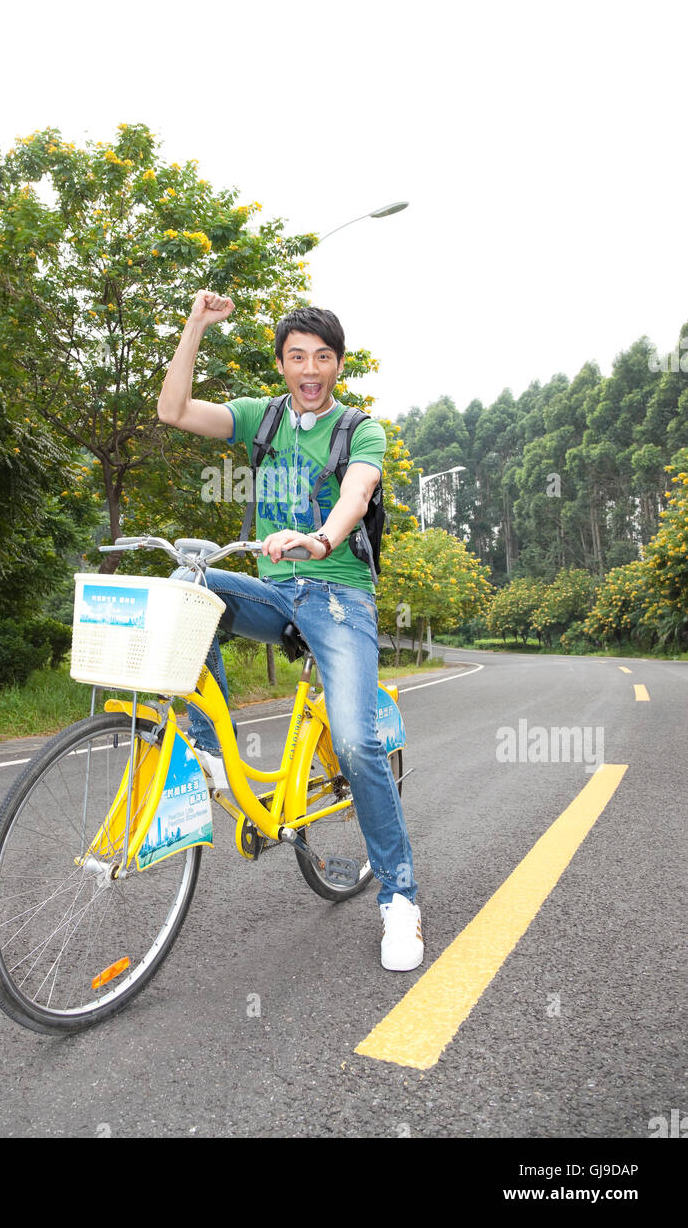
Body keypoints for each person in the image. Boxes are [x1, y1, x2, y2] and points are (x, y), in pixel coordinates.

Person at [157, 289, 423, 972]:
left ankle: (399, 899)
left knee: (359, 745)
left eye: (323, 357)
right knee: (190, 590)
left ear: (338, 365)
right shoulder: (261, 418)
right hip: (276, 593)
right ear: (281, 363)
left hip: (339, 598)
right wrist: (194, 325)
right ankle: (213, 751)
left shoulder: (361, 429)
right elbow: (174, 410)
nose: (310, 369)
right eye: (297, 356)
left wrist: (319, 537)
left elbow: (357, 496)